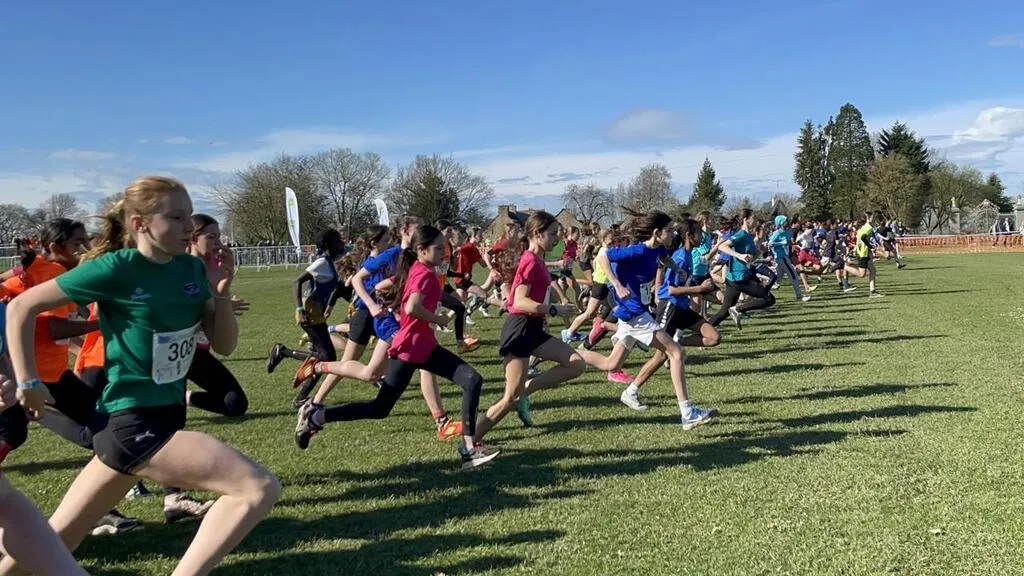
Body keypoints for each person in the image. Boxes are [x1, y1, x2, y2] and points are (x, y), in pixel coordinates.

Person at [1, 176, 280, 575]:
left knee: (54, 541)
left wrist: (219, 292)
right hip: (134, 422)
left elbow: (224, 346)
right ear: (139, 223)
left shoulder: (189, 269)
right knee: (257, 488)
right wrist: (29, 381)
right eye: (176, 216)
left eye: (189, 216)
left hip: (154, 419)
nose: (189, 226)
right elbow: (20, 309)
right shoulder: (117, 268)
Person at [293, 225, 499, 470]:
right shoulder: (422, 273)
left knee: (468, 381)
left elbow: (391, 291)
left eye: (443, 248)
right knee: (382, 404)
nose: (443, 253)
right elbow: (412, 307)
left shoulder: (417, 268)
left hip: (422, 347)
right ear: (421, 251)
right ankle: (316, 415)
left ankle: (468, 447)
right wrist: (439, 319)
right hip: (410, 348)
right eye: (437, 249)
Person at [576, 211, 715, 430]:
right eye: (669, 230)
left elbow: (663, 257)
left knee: (611, 363)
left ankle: (572, 353)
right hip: (633, 312)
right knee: (676, 352)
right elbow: (602, 257)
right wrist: (617, 284)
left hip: (633, 312)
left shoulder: (658, 248)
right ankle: (687, 412)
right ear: (657, 233)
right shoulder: (636, 250)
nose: (673, 234)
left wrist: (676, 268)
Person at [473, 211, 584, 437]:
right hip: (520, 329)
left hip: (533, 328)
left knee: (576, 364)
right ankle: (471, 440)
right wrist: (553, 309)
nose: (557, 239)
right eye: (552, 234)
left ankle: (527, 388)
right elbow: (519, 301)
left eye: (558, 234)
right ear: (536, 234)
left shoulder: (537, 258)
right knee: (510, 398)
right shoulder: (530, 261)